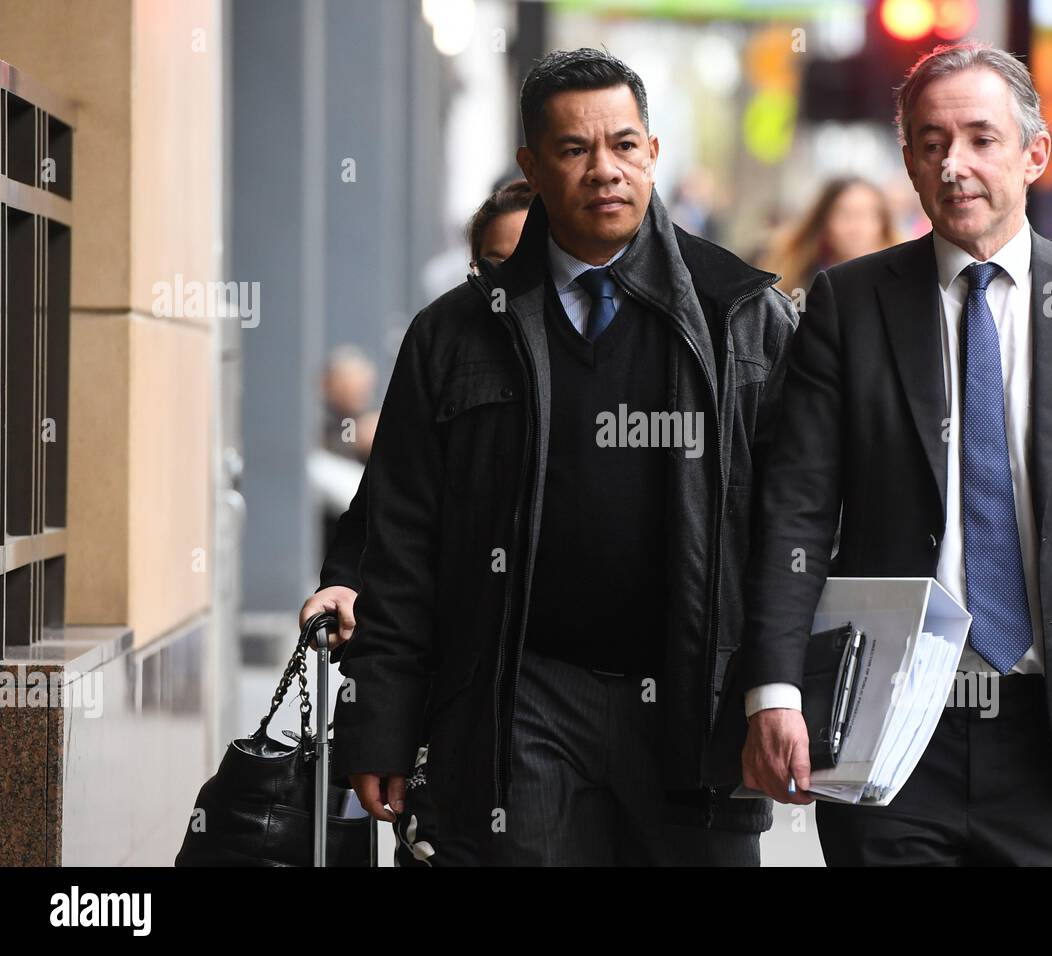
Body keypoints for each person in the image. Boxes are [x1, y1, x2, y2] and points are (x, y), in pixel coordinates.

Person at [329, 48, 798, 865]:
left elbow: (795, 522)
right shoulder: (456, 333)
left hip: (692, 700)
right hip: (521, 697)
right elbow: (400, 536)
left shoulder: (743, 317)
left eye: (624, 145)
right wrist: (380, 718)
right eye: (575, 151)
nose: (604, 171)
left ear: (653, 152)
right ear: (532, 166)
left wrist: (781, 691)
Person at [736, 42, 1052, 865]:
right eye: (932, 143)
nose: (955, 165)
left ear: (1034, 154)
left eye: (982, 138)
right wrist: (776, 689)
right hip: (892, 730)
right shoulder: (849, 302)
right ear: (908, 160)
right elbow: (794, 512)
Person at [299, 179, 532, 866]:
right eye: (494, 263)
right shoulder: (443, 345)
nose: (509, 283)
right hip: (451, 687)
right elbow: (385, 507)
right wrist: (343, 583)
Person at [763, 176, 898, 298]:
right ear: (824, 222)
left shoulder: (897, 283)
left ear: (883, 224)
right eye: (845, 215)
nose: (856, 228)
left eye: (866, 215)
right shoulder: (797, 283)